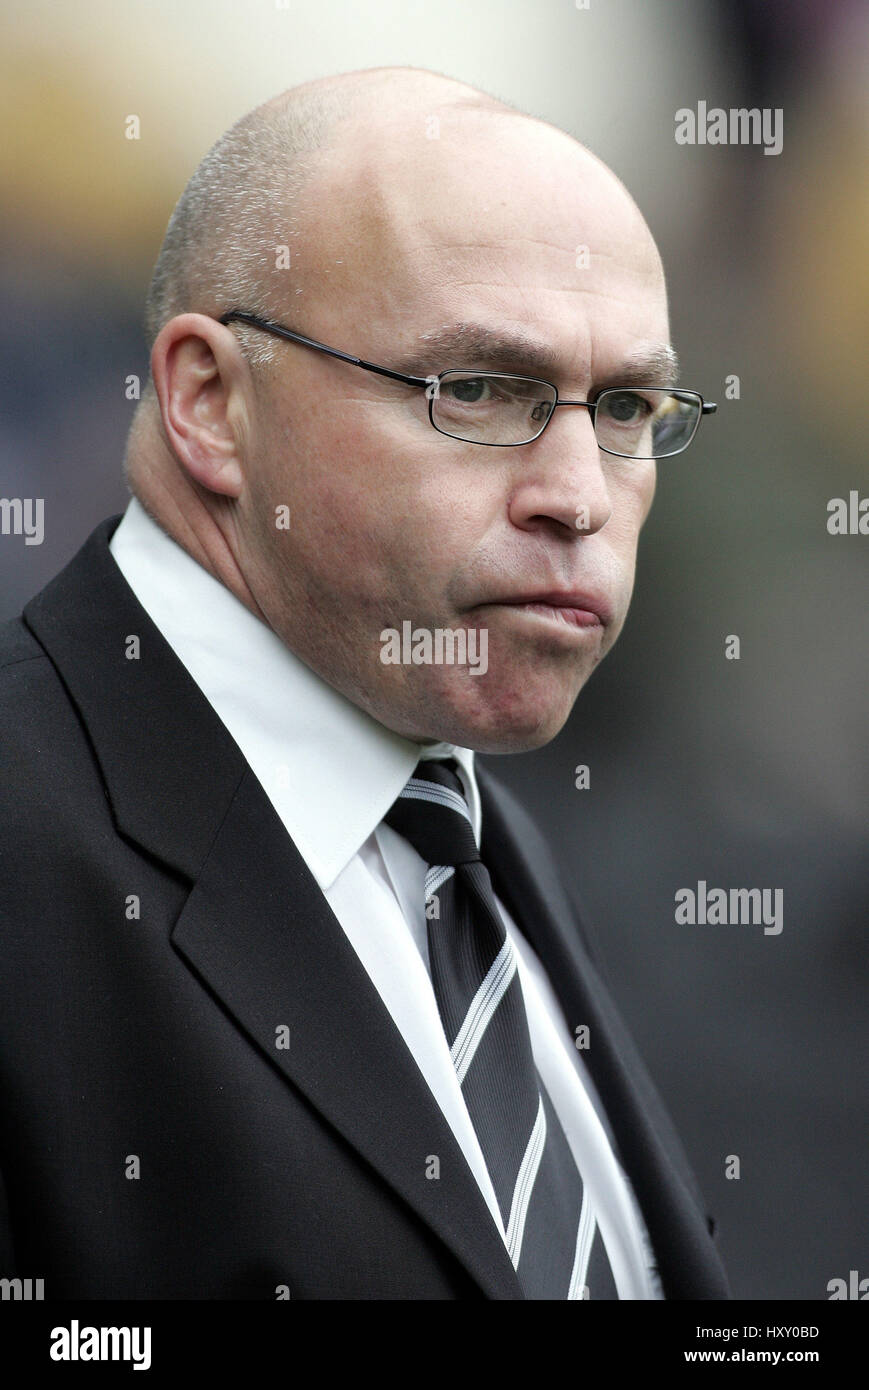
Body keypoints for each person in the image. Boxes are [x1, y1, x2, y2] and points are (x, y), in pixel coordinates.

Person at [0, 66, 726, 1300]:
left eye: (623, 407)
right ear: (210, 402)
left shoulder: (455, 833)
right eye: (481, 391)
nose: (580, 494)